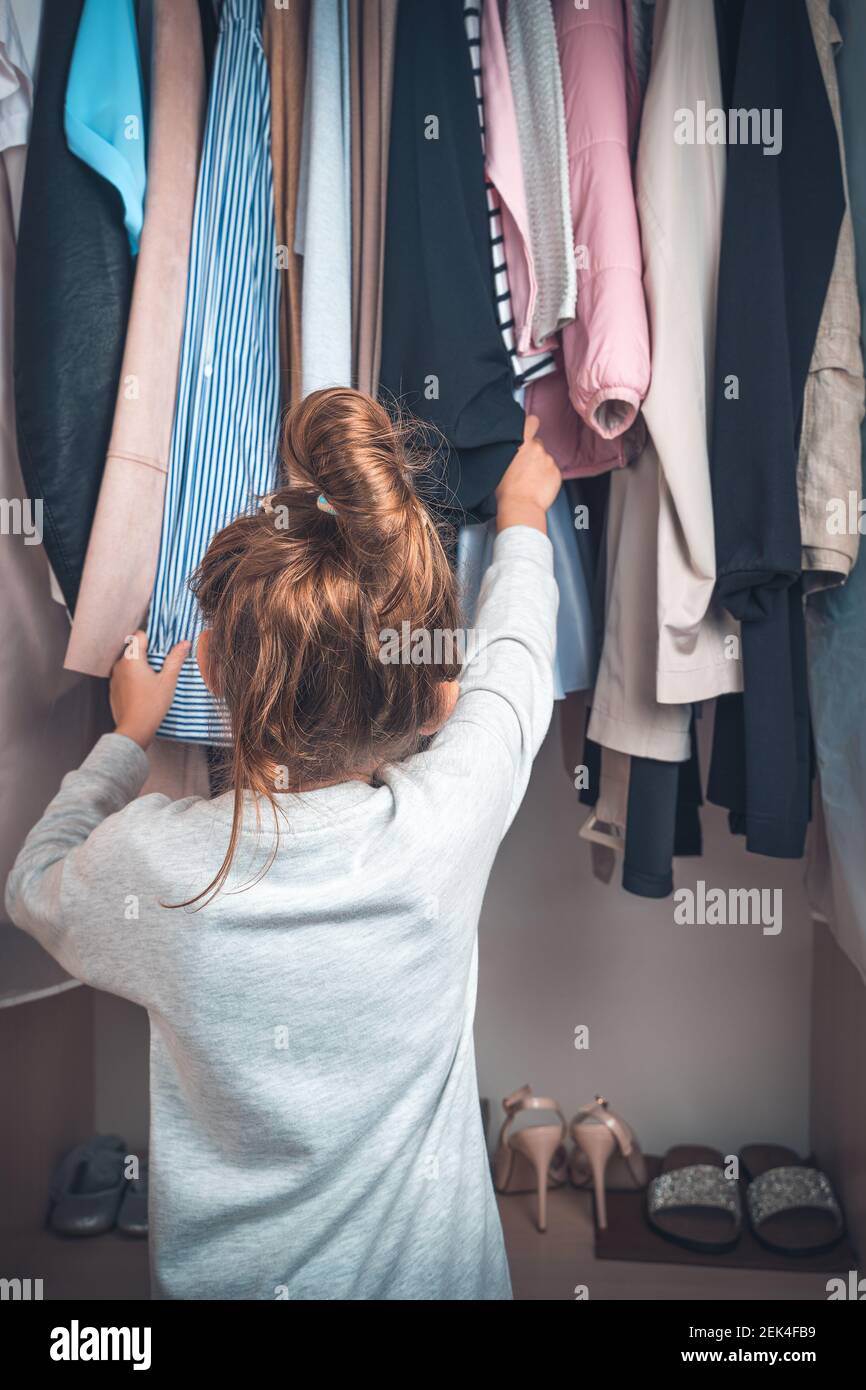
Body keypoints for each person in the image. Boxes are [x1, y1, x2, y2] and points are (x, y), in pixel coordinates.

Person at [6, 388, 561, 1300]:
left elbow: (32, 881)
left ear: (213, 669)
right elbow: (517, 659)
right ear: (436, 699)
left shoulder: (159, 866)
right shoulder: (447, 821)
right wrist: (523, 517)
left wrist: (126, 740)